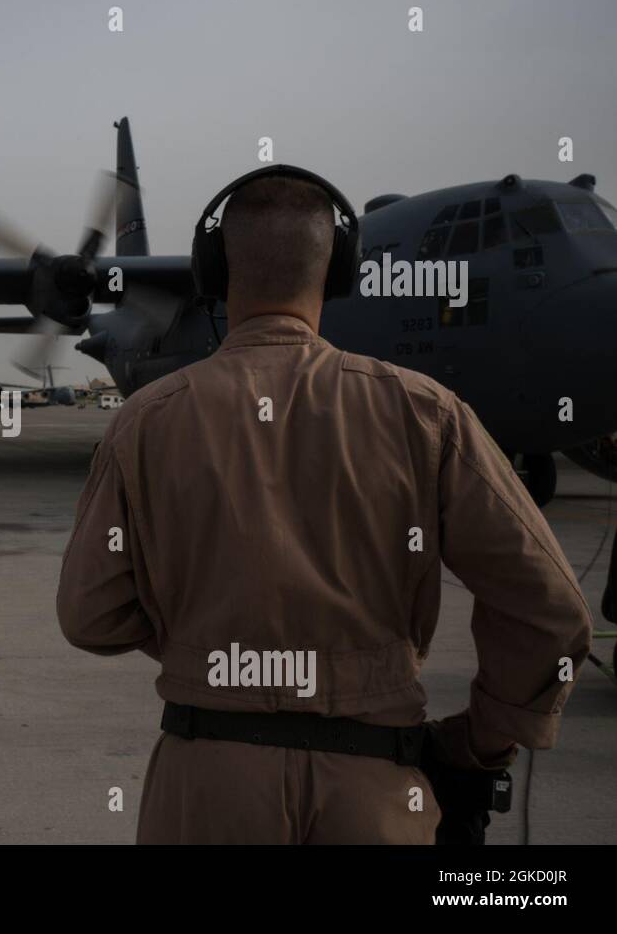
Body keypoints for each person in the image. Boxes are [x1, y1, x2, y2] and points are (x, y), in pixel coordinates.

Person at [55, 167, 592, 844]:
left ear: (214, 270)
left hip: (206, 784)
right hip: (378, 784)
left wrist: (201, 649)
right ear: (340, 271)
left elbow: (90, 616)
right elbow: (549, 609)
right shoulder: (428, 413)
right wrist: (480, 742)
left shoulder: (146, 421)